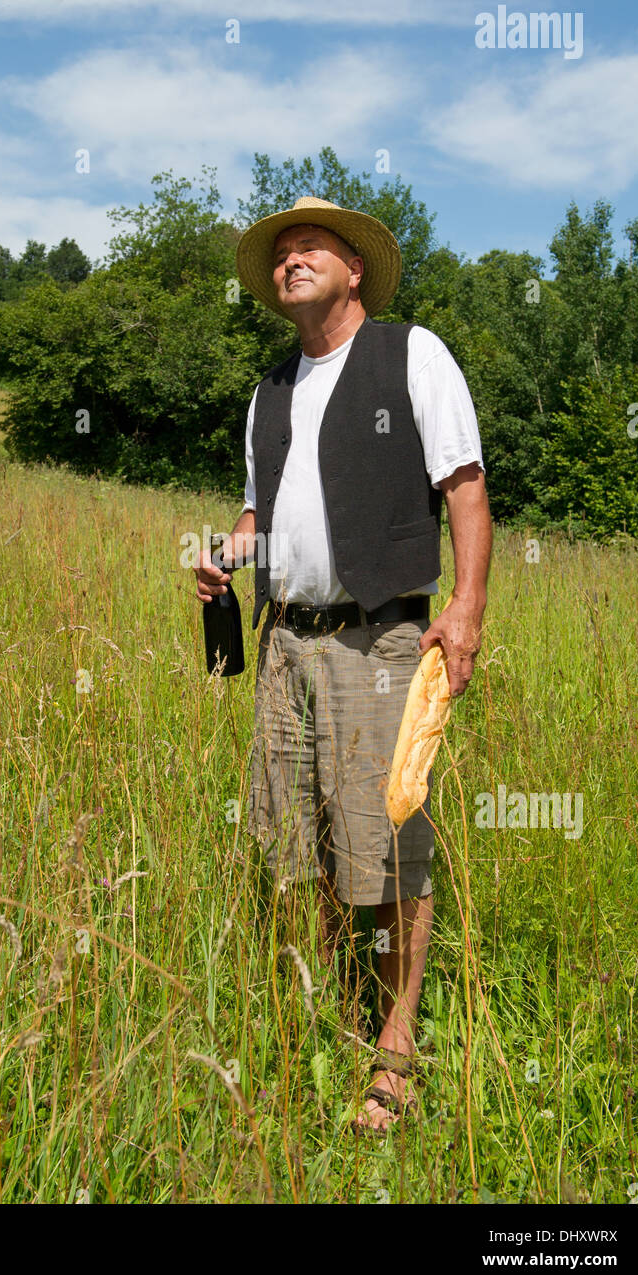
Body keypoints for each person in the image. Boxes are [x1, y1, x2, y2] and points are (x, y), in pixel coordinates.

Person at [193, 196, 492, 1132]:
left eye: (309, 247)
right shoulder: (270, 391)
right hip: (284, 640)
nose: (291, 261)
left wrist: (467, 609)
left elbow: (465, 488)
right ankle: (343, 1010)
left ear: (353, 268)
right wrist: (222, 553)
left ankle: (396, 1051)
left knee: (392, 851)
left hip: (381, 639)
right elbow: (259, 516)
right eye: (280, 254)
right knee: (307, 849)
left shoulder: (411, 353)